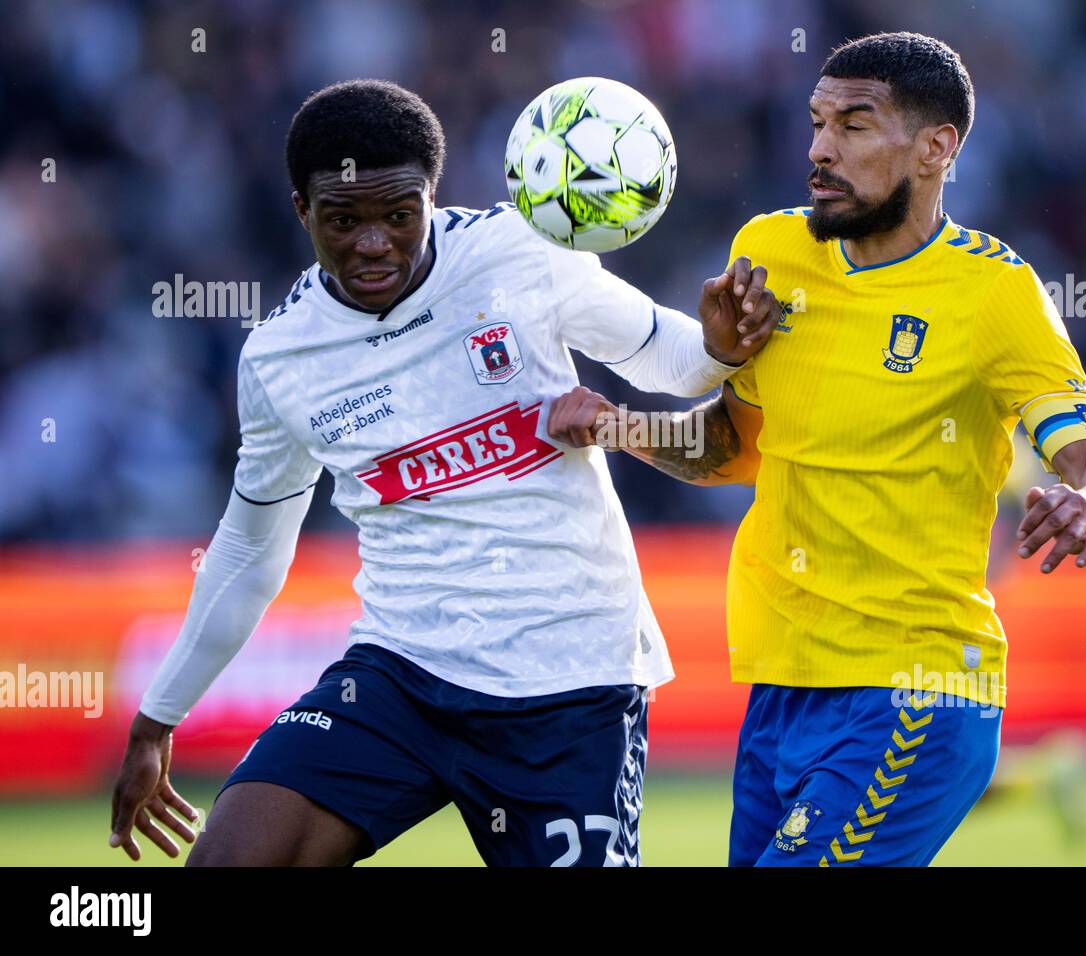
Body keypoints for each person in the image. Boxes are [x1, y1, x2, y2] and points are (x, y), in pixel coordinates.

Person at [107, 79, 779, 867]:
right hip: (400, 675)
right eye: (343, 220)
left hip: (569, 677)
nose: (373, 244)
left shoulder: (517, 253)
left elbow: (667, 356)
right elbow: (252, 551)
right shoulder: (280, 359)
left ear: (432, 196)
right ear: (300, 210)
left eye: (399, 216)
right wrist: (157, 719)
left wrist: (721, 347)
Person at [553, 32, 1086, 866]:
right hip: (781, 687)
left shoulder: (996, 293)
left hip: (918, 689)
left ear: (937, 148)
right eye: (818, 122)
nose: (820, 148)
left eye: (855, 126)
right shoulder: (770, 251)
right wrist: (618, 425)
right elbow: (734, 450)